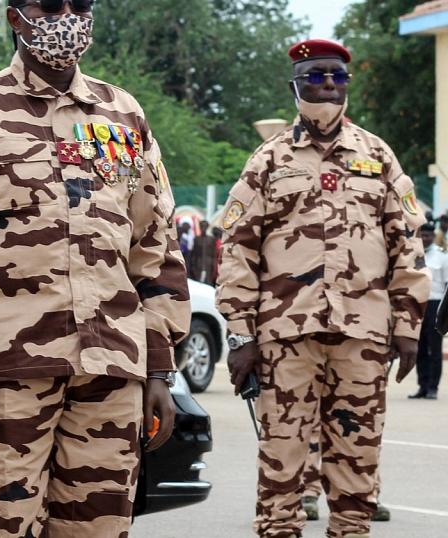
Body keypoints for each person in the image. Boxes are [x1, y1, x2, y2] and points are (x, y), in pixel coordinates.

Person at [0, 1, 191, 535]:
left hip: (111, 369)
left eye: (80, 4)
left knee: (99, 529)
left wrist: (160, 368)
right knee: (6, 527)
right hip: (4, 378)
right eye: (50, 3)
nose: (68, 15)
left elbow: (155, 245)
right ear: (16, 17)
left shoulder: (123, 114)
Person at [217, 39, 429, 538]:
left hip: (364, 334)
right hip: (286, 336)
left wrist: (409, 326)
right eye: (315, 75)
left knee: (358, 462)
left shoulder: (378, 156)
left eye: (337, 75)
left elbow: (406, 244)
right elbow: (238, 249)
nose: (328, 84)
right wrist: (241, 336)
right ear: (295, 85)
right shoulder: (268, 160)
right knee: (282, 461)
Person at [413, 222, 446, 399]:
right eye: (422, 235)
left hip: (435, 304)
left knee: (435, 348)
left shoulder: (442, 257)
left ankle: (433, 387)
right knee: (419, 347)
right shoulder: (414, 255)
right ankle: (422, 386)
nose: (425, 238)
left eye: (428, 235)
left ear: (433, 236)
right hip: (418, 304)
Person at [190, 220, 217, 284]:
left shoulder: (211, 239)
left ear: (207, 227)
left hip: (209, 265)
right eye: (202, 226)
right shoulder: (196, 239)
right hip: (198, 265)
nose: (203, 228)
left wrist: (213, 266)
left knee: (208, 285)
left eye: (205, 226)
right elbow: (193, 255)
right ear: (200, 227)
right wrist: (193, 268)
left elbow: (214, 254)